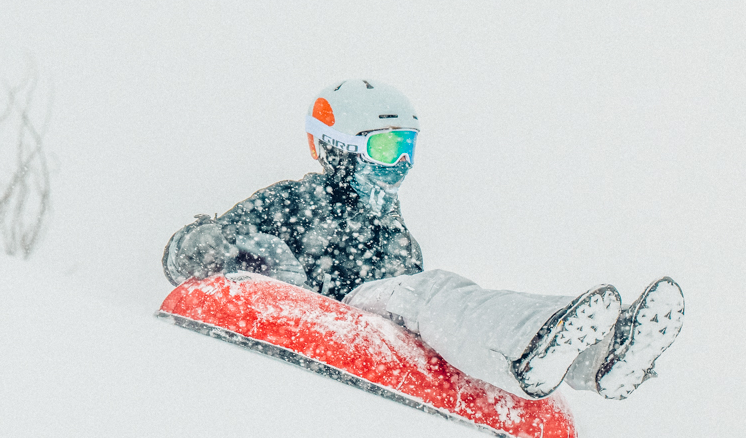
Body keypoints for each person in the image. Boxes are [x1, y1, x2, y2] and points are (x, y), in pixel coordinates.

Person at [162, 79, 683, 400]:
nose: (404, 163)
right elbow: (191, 251)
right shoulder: (296, 202)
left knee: (442, 303)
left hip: (382, 332)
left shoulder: (394, 231)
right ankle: (537, 338)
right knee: (423, 292)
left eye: (409, 146)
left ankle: (598, 356)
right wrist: (207, 243)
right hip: (334, 314)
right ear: (342, 149)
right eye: (390, 147)